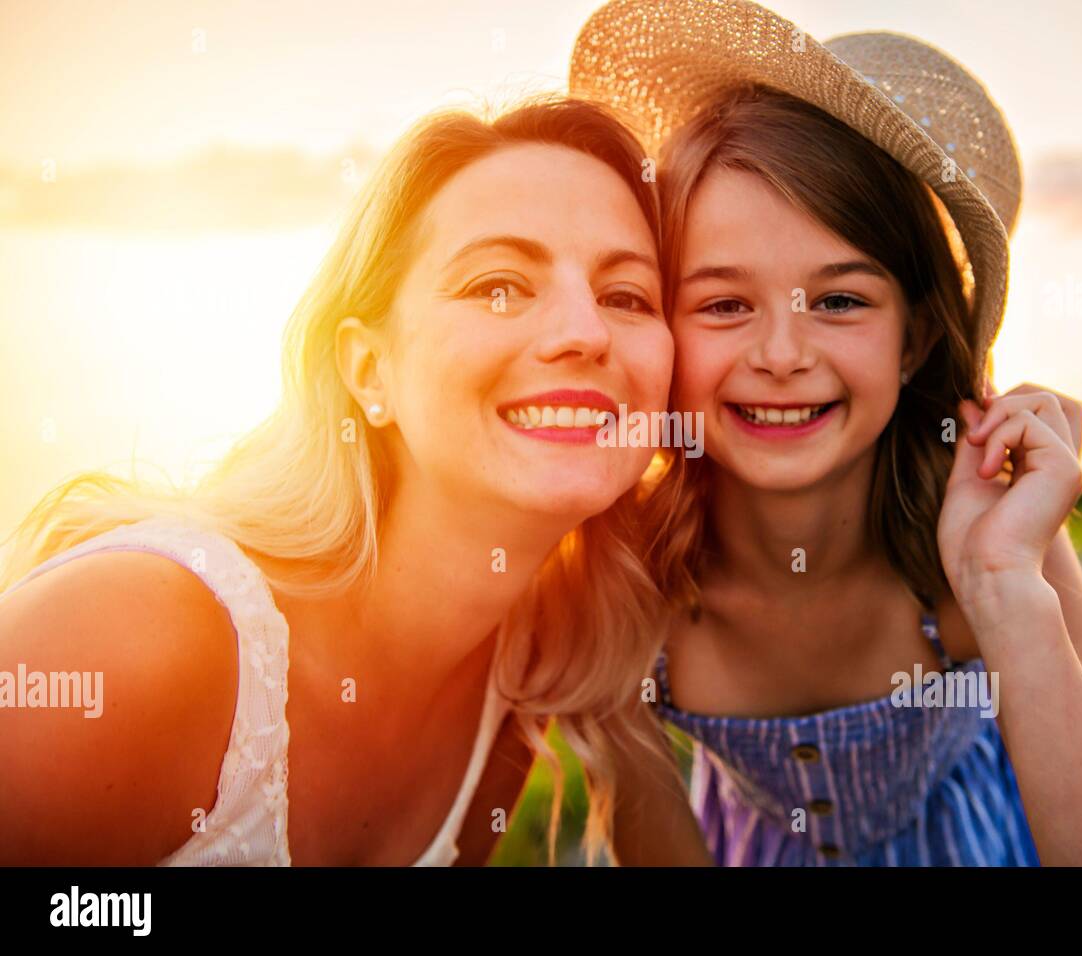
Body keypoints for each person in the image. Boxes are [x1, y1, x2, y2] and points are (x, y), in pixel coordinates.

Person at [571, 0, 1082, 866]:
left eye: (839, 300)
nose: (782, 354)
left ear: (913, 339)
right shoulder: (624, 581)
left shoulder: (990, 545)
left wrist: (1005, 593)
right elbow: (640, 817)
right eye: (725, 303)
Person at [0, 96, 692, 866]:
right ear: (369, 368)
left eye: (626, 296)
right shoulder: (133, 636)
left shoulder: (514, 683)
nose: (584, 332)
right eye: (499, 285)